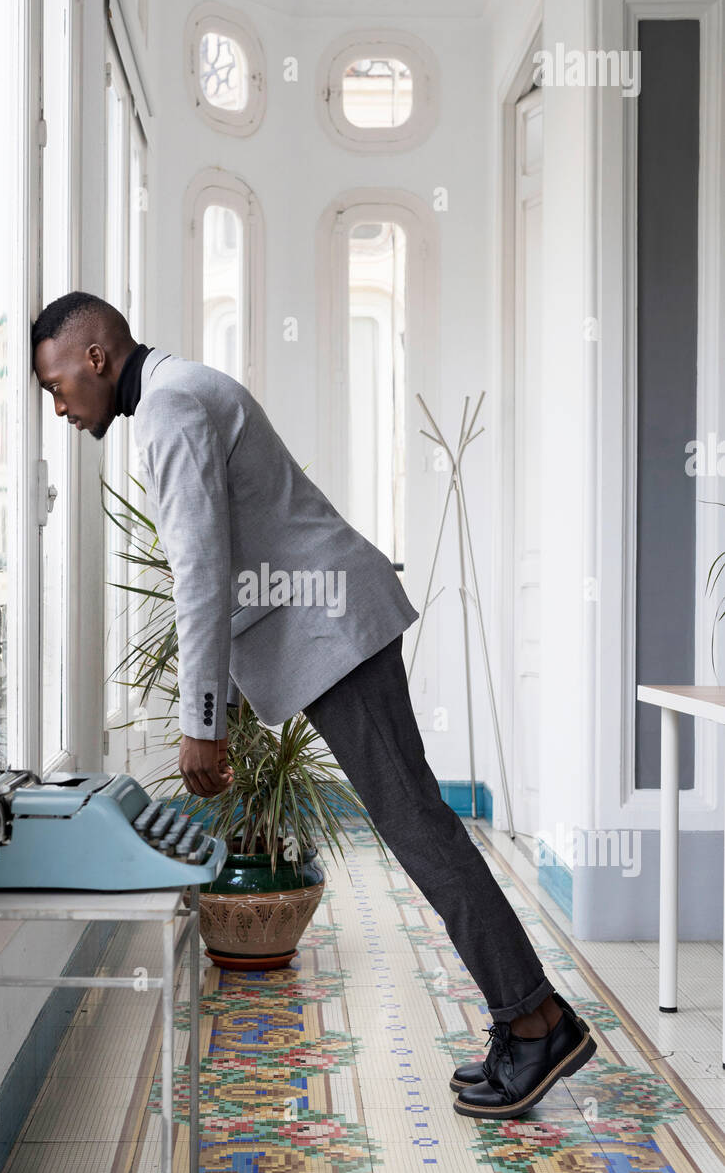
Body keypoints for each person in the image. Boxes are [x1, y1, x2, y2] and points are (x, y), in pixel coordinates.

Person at [31, 290, 596, 1118]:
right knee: (421, 825)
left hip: (336, 630)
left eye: (55, 386)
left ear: (95, 358)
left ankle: (536, 1021)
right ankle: (533, 1018)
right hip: (334, 621)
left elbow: (200, 573)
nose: (58, 407)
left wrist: (201, 723)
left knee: (419, 828)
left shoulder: (167, 408)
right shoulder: (177, 388)